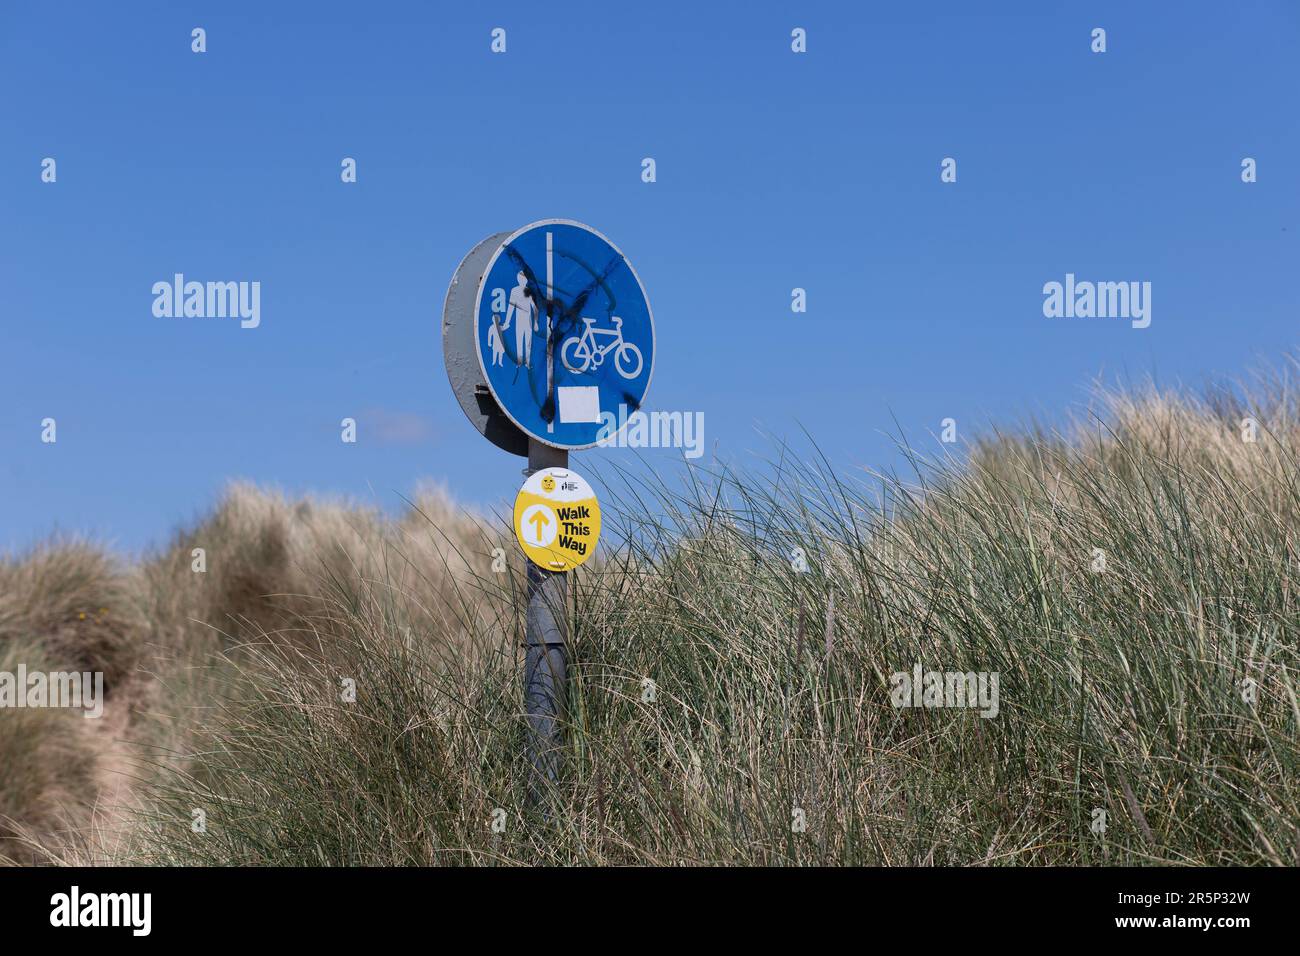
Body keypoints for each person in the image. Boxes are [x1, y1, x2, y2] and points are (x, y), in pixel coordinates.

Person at [503, 271, 537, 368]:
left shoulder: (529, 291)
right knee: (519, 341)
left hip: (528, 321)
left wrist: (535, 323)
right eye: (521, 278)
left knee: (528, 343)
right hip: (519, 321)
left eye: (524, 279)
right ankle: (519, 362)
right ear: (518, 280)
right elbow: (511, 307)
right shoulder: (515, 290)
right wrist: (507, 322)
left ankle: (528, 362)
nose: (522, 280)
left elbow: (534, 307)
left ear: (526, 280)